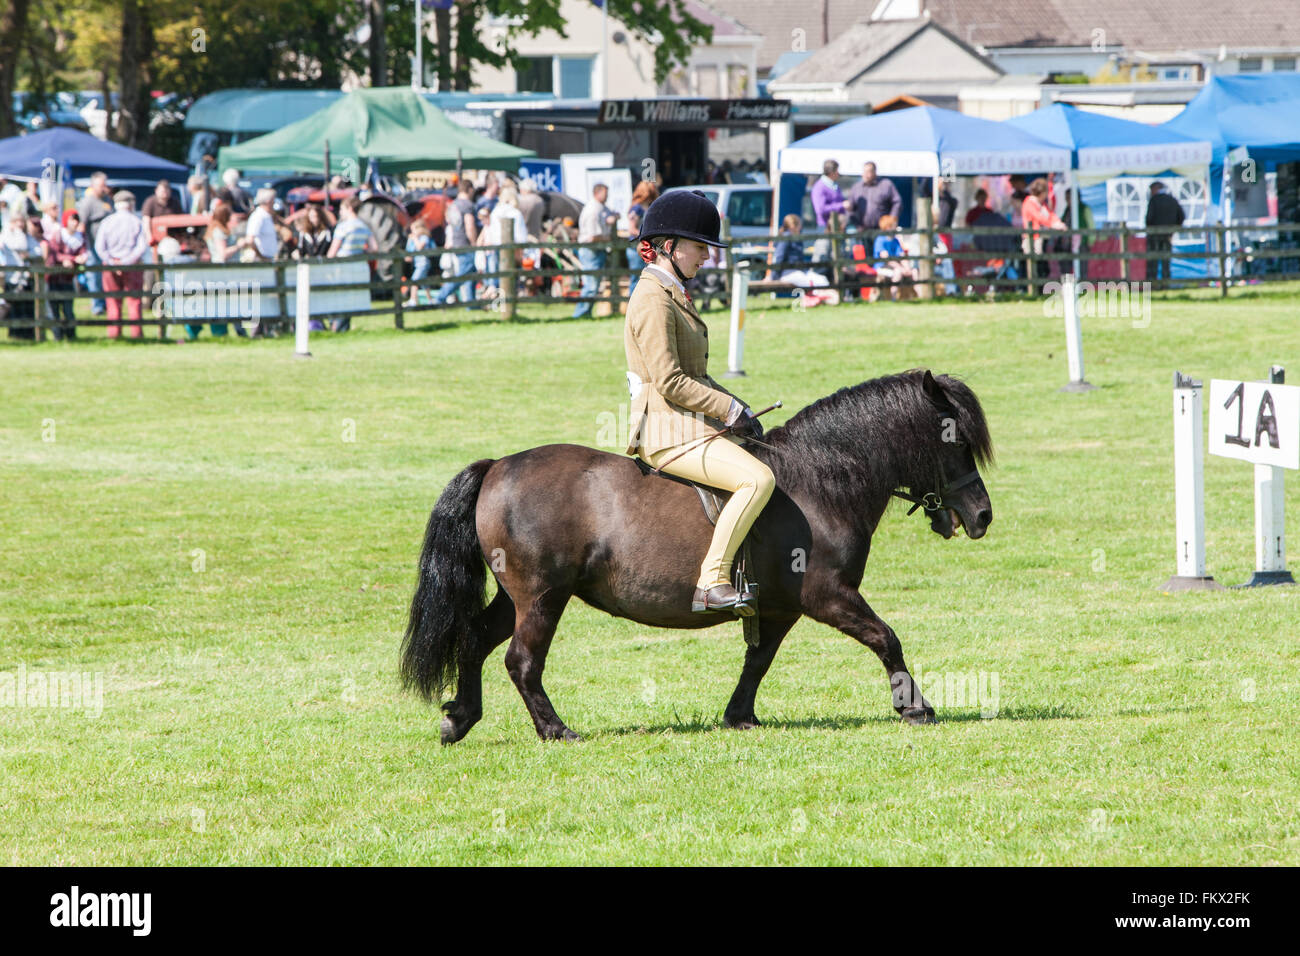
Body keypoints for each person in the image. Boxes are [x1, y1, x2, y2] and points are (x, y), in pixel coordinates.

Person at [624, 190, 774, 615]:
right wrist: (728, 411)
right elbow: (670, 380)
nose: (707, 256)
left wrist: (739, 406)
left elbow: (698, 375)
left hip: (689, 422)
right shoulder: (652, 298)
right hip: (666, 430)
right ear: (669, 247)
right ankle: (712, 581)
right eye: (700, 247)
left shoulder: (672, 292)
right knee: (757, 480)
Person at [93, 191, 149, 339]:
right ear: (130, 204)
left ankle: (114, 334)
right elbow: (141, 246)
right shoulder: (136, 221)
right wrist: (126, 262)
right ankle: (136, 334)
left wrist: (113, 262)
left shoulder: (107, 222)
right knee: (134, 300)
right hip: (132, 266)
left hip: (111, 265)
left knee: (112, 301)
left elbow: (100, 247)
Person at [326, 197, 375, 332]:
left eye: (342, 209)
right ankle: (344, 327)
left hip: (342, 265)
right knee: (350, 297)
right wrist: (360, 251)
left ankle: (336, 326)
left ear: (350, 208)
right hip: (358, 266)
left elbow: (333, 251)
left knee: (338, 296)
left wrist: (326, 263)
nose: (340, 212)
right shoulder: (363, 226)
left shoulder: (343, 226)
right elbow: (374, 248)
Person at [44, 210, 89, 340]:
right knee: (54, 310)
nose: (75, 222)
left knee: (68, 309)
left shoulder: (80, 237)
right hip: (54, 279)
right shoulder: (58, 235)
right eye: (72, 219)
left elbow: (83, 252)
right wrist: (71, 259)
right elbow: (54, 254)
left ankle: (71, 336)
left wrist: (82, 258)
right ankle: (57, 336)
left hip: (68, 279)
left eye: (77, 219)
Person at [434, 180, 479, 306]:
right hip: (465, 244)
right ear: (469, 189)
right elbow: (469, 226)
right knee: (463, 275)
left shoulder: (453, 204)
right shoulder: (467, 205)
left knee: (469, 274)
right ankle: (440, 297)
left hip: (455, 242)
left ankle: (471, 304)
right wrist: (474, 243)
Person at [575, 182, 616, 318]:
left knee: (593, 284)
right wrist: (608, 238)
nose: (607, 196)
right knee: (591, 285)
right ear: (597, 193)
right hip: (591, 250)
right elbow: (593, 237)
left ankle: (585, 313)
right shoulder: (593, 210)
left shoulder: (600, 207)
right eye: (605, 193)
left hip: (595, 250)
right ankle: (580, 314)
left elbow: (611, 215)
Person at [77, 171, 113, 316]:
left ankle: (107, 304)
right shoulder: (88, 202)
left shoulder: (108, 201)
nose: (104, 188)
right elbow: (81, 225)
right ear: (93, 186)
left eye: (105, 185)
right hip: (93, 246)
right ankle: (97, 306)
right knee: (95, 277)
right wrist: (82, 248)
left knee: (107, 277)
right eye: (101, 185)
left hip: (109, 247)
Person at [1, 213, 43, 339]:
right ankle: (15, 334)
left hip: (25, 278)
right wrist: (17, 232)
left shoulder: (28, 237)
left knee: (27, 307)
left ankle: (27, 334)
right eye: (17, 222)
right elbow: (19, 246)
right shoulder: (7, 235)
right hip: (12, 277)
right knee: (14, 308)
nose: (20, 224)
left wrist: (29, 255)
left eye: (22, 222)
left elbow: (38, 251)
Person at [772, 213, 832, 293]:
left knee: (822, 279)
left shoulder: (797, 238)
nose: (801, 227)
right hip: (787, 272)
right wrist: (773, 277)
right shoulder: (786, 237)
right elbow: (778, 257)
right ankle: (816, 299)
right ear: (793, 226)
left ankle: (822, 298)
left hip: (799, 270)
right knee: (809, 283)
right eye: (799, 225)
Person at [1021, 177, 1065, 286]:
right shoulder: (1029, 203)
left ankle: (1041, 290)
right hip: (1033, 240)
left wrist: (1058, 222)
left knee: (1043, 267)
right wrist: (1053, 225)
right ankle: (1034, 291)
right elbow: (1039, 217)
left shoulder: (1041, 204)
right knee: (1035, 267)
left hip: (1042, 239)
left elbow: (1050, 215)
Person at [1146, 181, 1185, 288]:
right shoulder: (1172, 200)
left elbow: (1149, 218)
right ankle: (1165, 285)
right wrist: (1173, 229)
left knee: (1153, 262)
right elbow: (1181, 216)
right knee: (1165, 262)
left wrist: (1150, 230)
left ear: (1156, 189)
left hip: (1154, 236)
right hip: (1168, 235)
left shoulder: (1154, 200)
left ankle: (1152, 286)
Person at [809, 159, 849, 264]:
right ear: (832, 172)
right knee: (822, 258)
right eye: (837, 171)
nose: (839, 174)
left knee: (838, 258)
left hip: (839, 228)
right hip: (825, 228)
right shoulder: (820, 187)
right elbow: (820, 209)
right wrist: (841, 205)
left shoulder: (835, 186)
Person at [872, 214, 919, 300]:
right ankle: (893, 297)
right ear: (887, 227)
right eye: (893, 226)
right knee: (898, 272)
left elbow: (901, 256)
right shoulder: (880, 240)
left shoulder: (895, 240)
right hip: (882, 266)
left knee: (914, 271)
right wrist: (901, 268)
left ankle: (920, 296)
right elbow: (887, 259)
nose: (895, 227)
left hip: (896, 266)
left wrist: (907, 268)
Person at [847, 162, 902, 232]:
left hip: (883, 230)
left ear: (875, 172)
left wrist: (892, 219)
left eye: (868, 172)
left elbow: (897, 202)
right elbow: (849, 208)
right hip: (862, 231)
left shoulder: (886, 184)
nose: (866, 174)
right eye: (864, 171)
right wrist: (856, 225)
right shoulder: (856, 188)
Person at [238, 188, 280, 262]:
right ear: (268, 201)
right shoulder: (258, 216)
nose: (274, 203)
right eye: (273, 200)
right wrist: (261, 257)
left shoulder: (266, 215)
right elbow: (250, 240)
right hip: (261, 261)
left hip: (269, 259)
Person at [405, 220, 434, 306]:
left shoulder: (424, 237)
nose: (412, 232)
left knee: (414, 280)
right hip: (418, 264)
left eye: (413, 230)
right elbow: (411, 252)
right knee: (424, 283)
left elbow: (420, 247)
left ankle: (413, 300)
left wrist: (414, 239)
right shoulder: (415, 239)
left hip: (423, 263)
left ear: (420, 229)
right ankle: (430, 300)